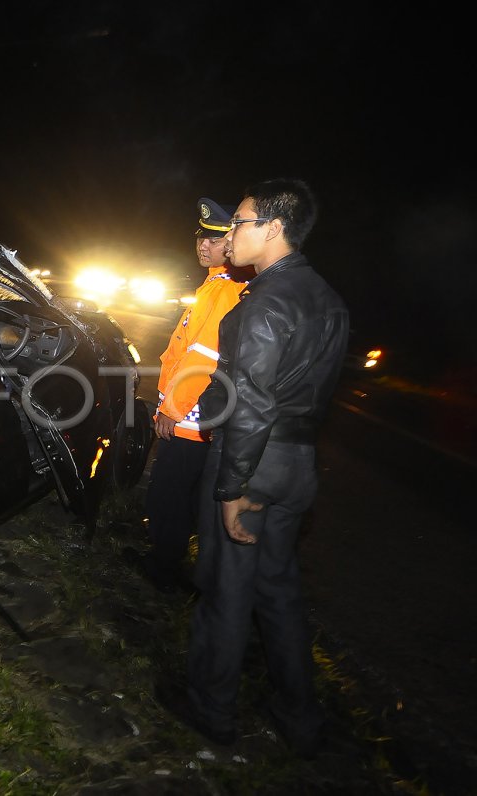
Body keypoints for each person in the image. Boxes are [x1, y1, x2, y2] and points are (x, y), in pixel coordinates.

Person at [158, 179, 350, 758]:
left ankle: (211, 709)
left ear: (273, 228)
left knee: (227, 587)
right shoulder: (328, 299)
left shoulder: (266, 300)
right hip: (300, 463)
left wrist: (233, 484)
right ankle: (300, 717)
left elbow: (254, 401)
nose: (230, 233)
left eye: (239, 222)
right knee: (279, 589)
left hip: (255, 460)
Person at [133, 197, 253, 594]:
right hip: (191, 416)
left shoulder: (225, 291)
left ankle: (163, 570)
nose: (204, 245)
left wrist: (171, 408)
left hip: (189, 419)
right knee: (177, 494)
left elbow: (202, 357)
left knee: (168, 495)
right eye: (202, 236)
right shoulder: (214, 286)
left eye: (216, 239)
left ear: (232, 242)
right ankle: (167, 561)